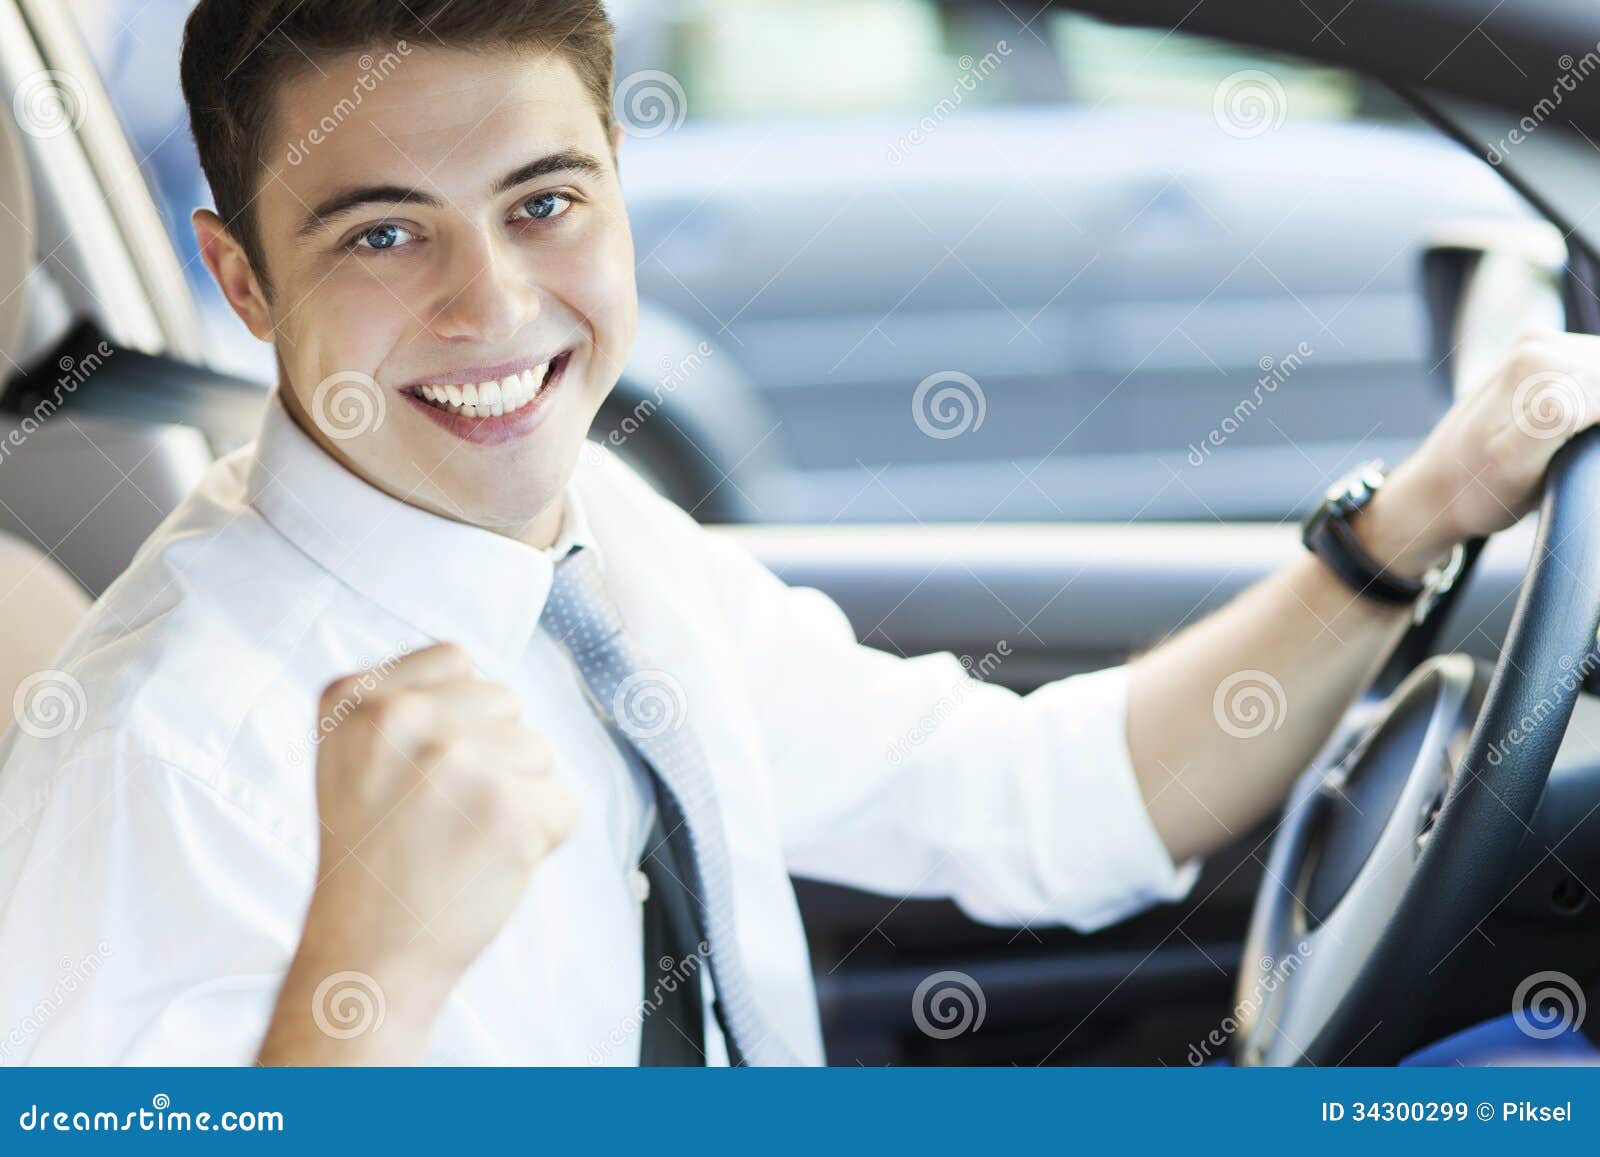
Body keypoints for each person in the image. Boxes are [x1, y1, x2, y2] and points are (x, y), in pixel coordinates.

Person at [0, 0, 1595, 1066]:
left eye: (544, 202)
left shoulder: (596, 549)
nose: (491, 304)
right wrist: (372, 966)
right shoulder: (169, 744)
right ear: (244, 281)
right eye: (384, 232)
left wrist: (1420, 514)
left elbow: (1042, 802)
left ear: (619, 185)